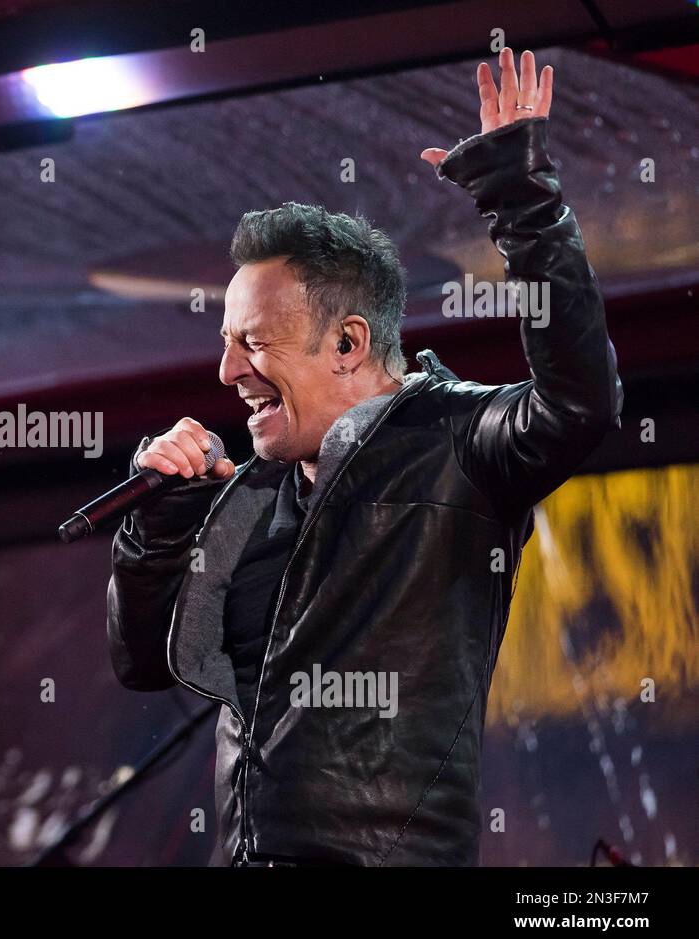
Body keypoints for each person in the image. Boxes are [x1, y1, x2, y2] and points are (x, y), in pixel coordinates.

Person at [105, 48, 622, 866]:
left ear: (348, 342)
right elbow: (140, 665)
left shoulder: (457, 442)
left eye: (253, 343)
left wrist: (521, 197)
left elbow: (581, 403)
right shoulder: (247, 495)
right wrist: (159, 530)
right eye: (225, 343)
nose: (228, 372)